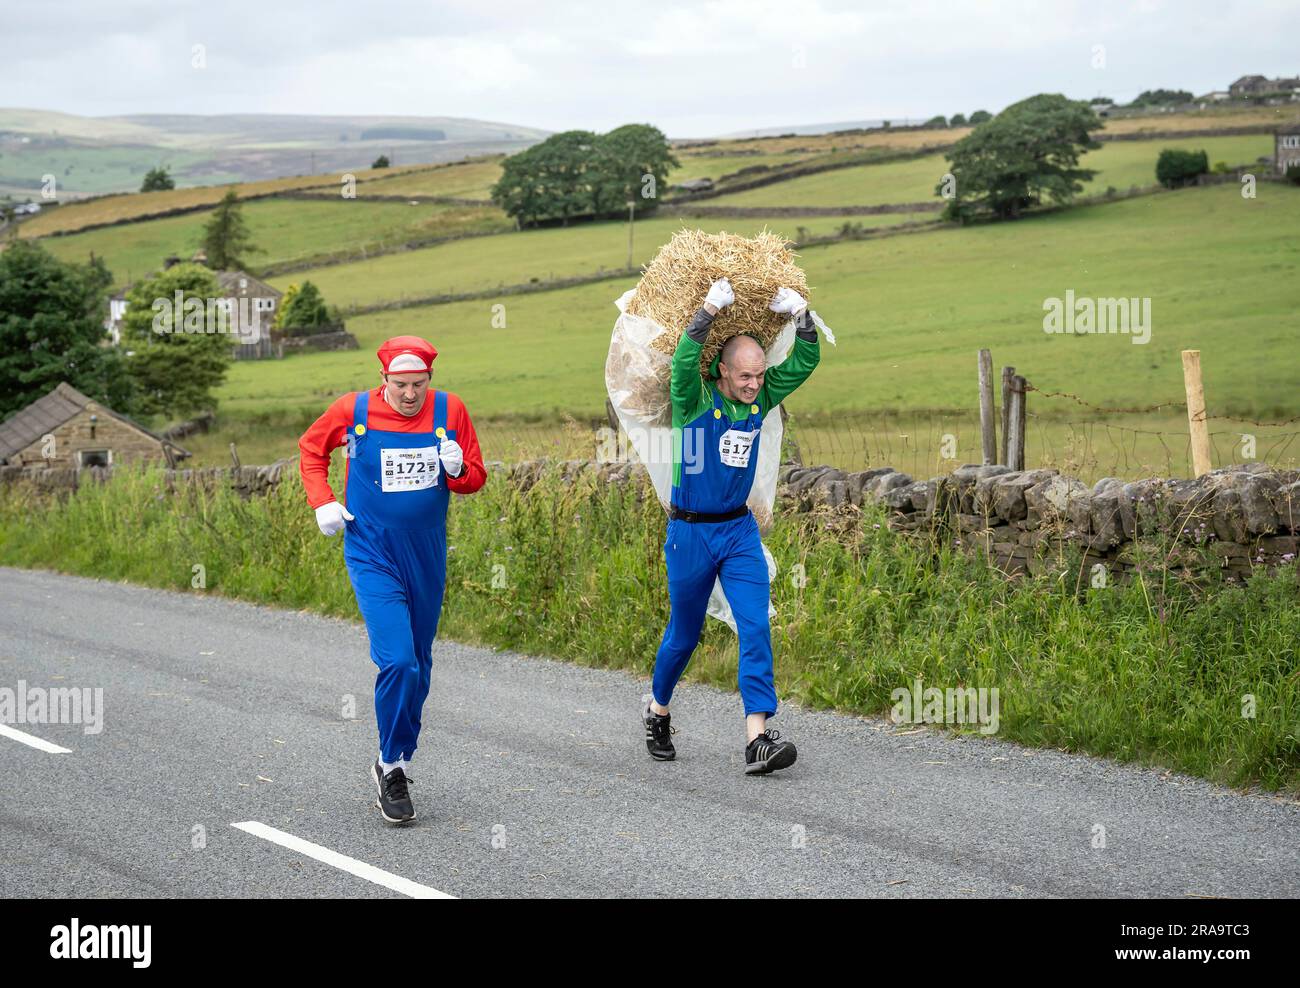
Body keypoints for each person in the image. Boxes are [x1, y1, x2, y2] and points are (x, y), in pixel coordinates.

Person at [298, 335, 486, 824]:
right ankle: (393, 766)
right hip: (371, 549)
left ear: (430, 380)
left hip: (425, 552)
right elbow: (311, 449)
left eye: (418, 385)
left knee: (419, 663)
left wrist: (458, 469)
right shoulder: (352, 409)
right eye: (400, 385)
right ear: (384, 380)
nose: (409, 395)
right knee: (398, 660)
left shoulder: (451, 409)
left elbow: (475, 479)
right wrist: (321, 500)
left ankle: (395, 757)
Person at [643, 279, 821, 774]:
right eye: (745, 376)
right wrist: (705, 313)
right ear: (724, 371)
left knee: (755, 623)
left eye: (760, 376)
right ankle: (658, 711)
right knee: (685, 633)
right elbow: (681, 366)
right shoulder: (694, 401)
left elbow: (806, 364)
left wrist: (803, 319)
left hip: (739, 531)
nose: (754, 384)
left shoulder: (760, 401)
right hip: (690, 533)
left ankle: (757, 739)